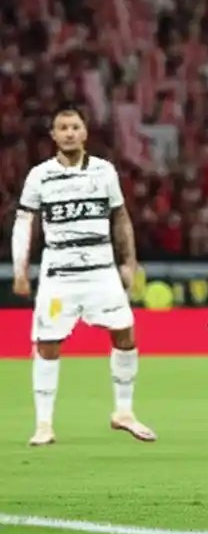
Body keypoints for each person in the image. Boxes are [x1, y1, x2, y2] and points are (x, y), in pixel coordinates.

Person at [12, 107, 155, 446]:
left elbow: (120, 218)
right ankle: (44, 424)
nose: (69, 133)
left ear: (85, 132)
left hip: (101, 272)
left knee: (125, 334)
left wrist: (129, 262)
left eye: (75, 127)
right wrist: (20, 269)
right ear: (53, 135)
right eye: (62, 128)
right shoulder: (40, 176)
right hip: (59, 275)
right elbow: (24, 222)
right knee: (47, 344)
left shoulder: (104, 172)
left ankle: (123, 411)